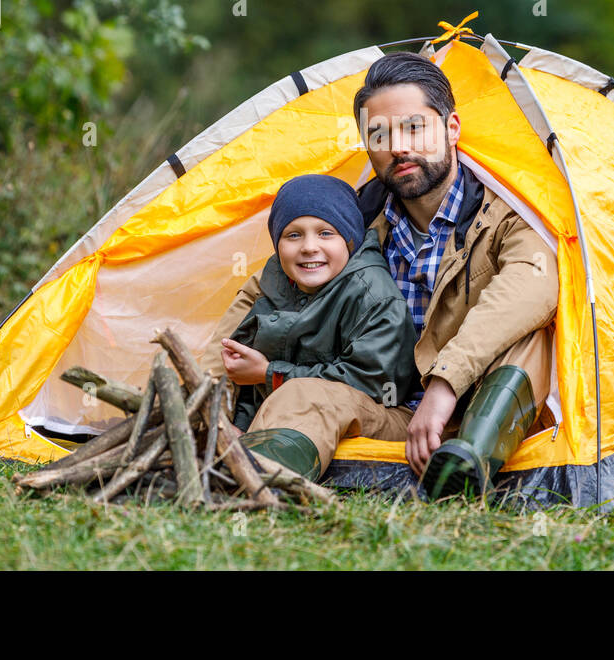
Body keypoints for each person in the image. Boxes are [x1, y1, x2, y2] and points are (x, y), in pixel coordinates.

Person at [204, 51, 558, 500]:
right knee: (302, 395)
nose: (398, 146)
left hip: (473, 405)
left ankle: (468, 465)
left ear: (451, 129)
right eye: (379, 134)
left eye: (414, 127)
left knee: (531, 334)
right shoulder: (353, 221)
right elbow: (262, 293)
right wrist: (204, 400)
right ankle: (245, 484)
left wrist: (444, 384)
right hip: (383, 407)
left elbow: (535, 281)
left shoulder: (509, 211)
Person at [207, 173, 419, 482]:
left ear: (349, 239)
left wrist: (271, 374)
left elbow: (375, 383)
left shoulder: (372, 295)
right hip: (283, 415)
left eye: (325, 233)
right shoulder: (275, 281)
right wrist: (234, 421)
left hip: (380, 413)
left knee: (300, 395)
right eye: (293, 235)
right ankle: (235, 451)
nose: (309, 247)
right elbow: (235, 365)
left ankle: (261, 477)